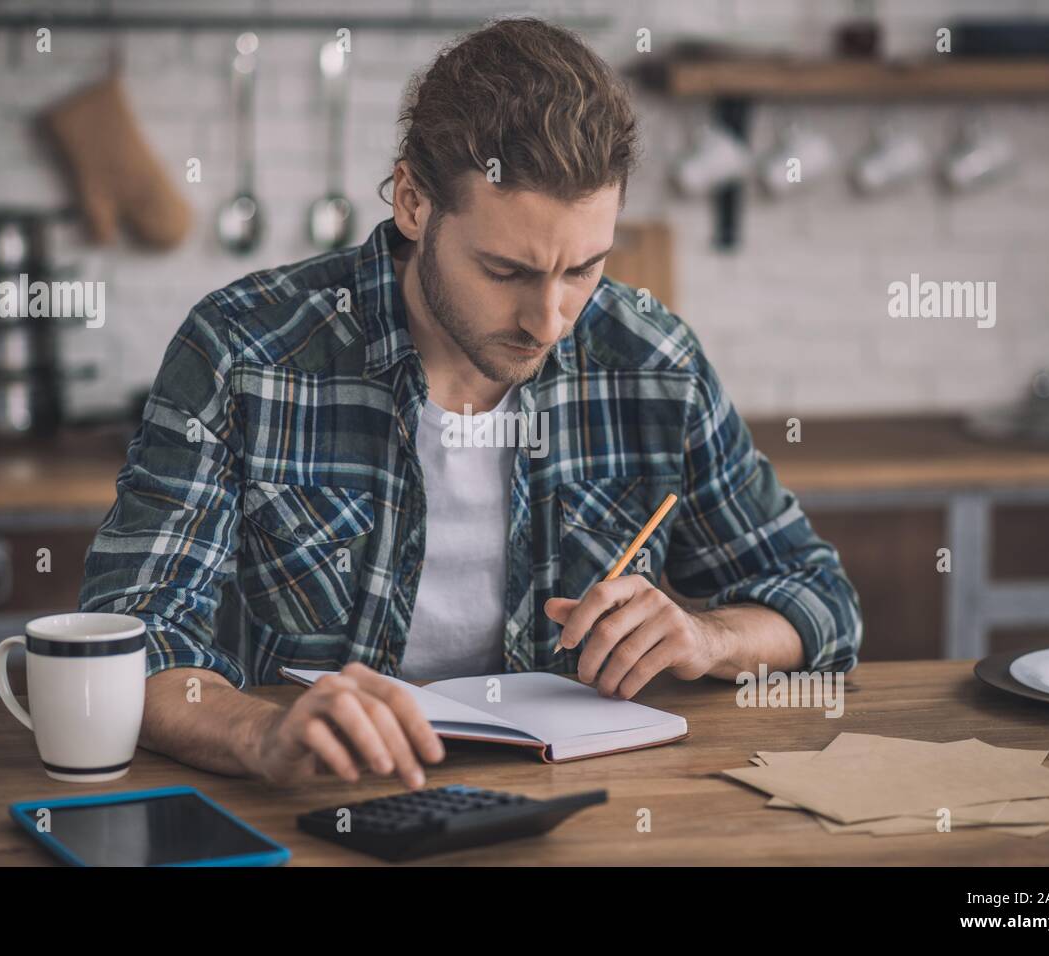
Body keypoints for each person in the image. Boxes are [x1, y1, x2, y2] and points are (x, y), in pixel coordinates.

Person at [79, 17, 862, 791]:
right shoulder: (242, 353)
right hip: (320, 805)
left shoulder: (654, 364)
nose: (549, 321)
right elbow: (134, 642)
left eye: (583, 269)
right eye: (506, 271)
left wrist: (707, 637)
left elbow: (816, 597)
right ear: (415, 203)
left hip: (580, 819)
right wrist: (262, 730)